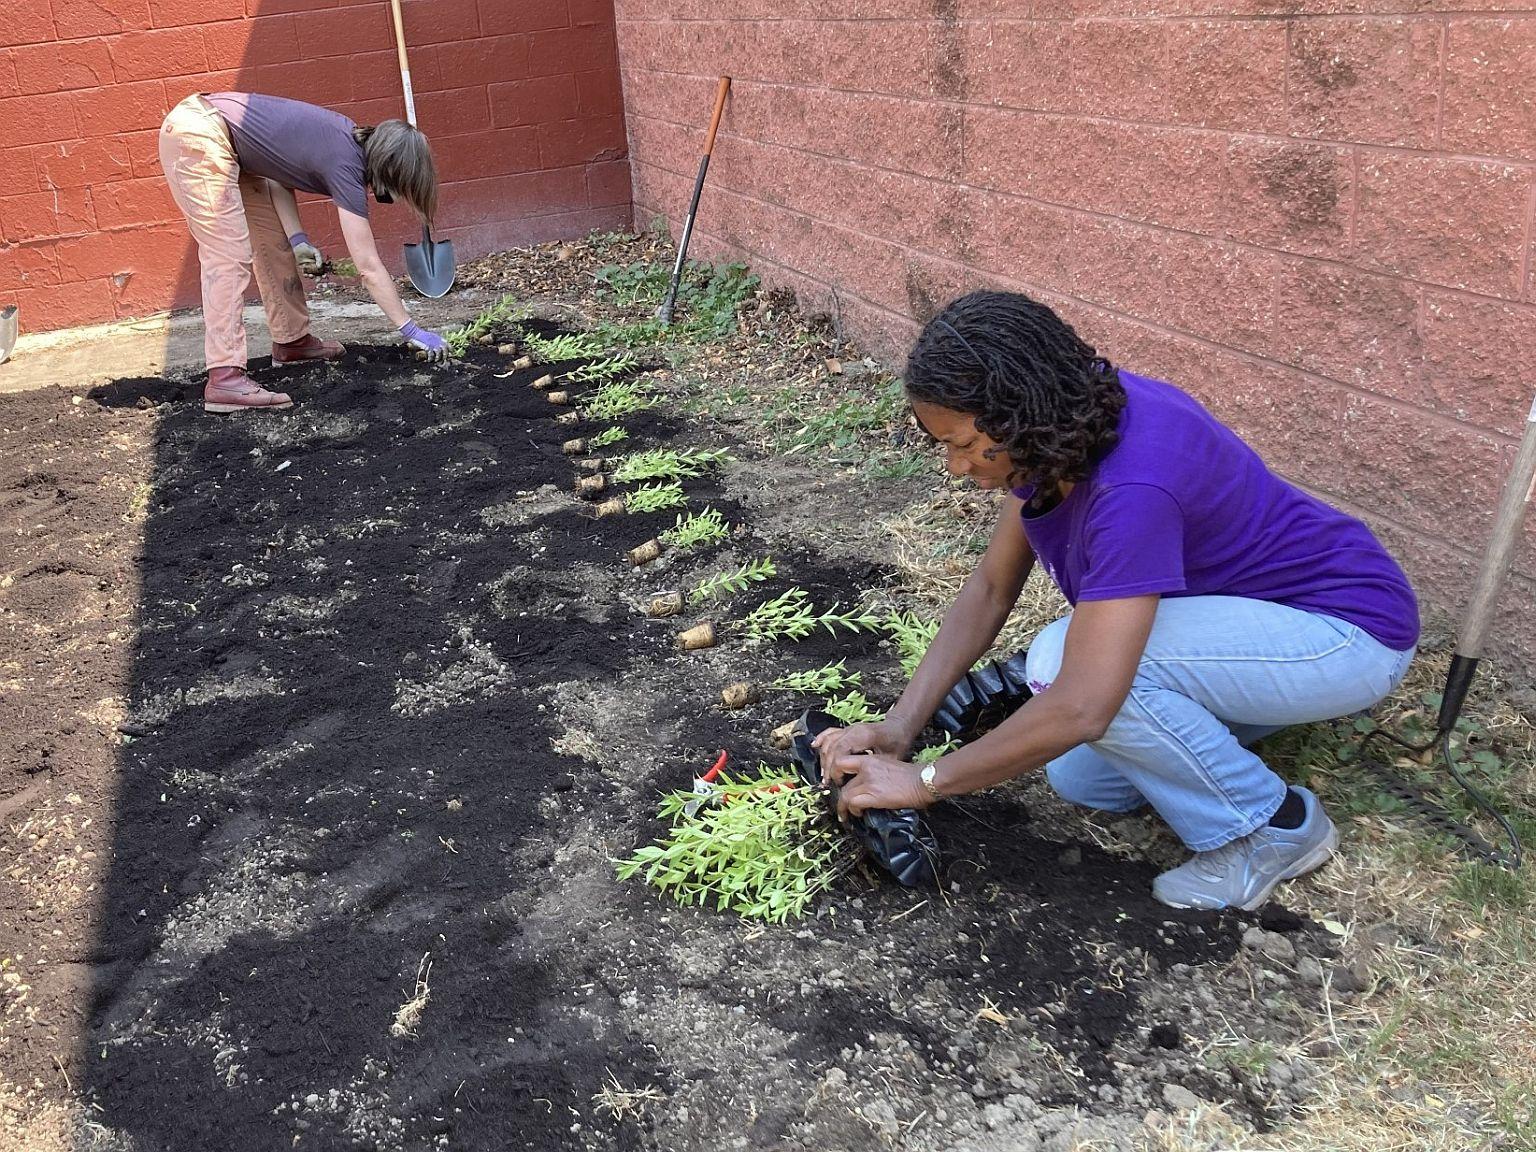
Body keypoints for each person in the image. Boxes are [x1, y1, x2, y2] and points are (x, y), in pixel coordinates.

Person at [815, 291, 1419, 912]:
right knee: (1082, 779)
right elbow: (992, 588)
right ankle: (1218, 722)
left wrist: (923, 782)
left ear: (1018, 413)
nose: (955, 467)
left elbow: (1084, 707)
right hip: (1253, 622)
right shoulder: (1061, 426)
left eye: (965, 444)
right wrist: (900, 727)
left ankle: (1271, 829)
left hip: (1342, 633)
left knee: (1061, 668)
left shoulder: (1132, 487)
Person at [158, 92, 451, 414]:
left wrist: (298, 240)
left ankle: (291, 342)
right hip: (201, 134)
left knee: (273, 246)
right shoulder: (346, 164)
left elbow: (279, 176)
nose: (396, 196)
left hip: (236, 149)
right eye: (402, 186)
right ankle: (224, 377)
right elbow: (368, 267)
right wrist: (411, 330)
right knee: (228, 255)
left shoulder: (345, 141)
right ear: (390, 168)